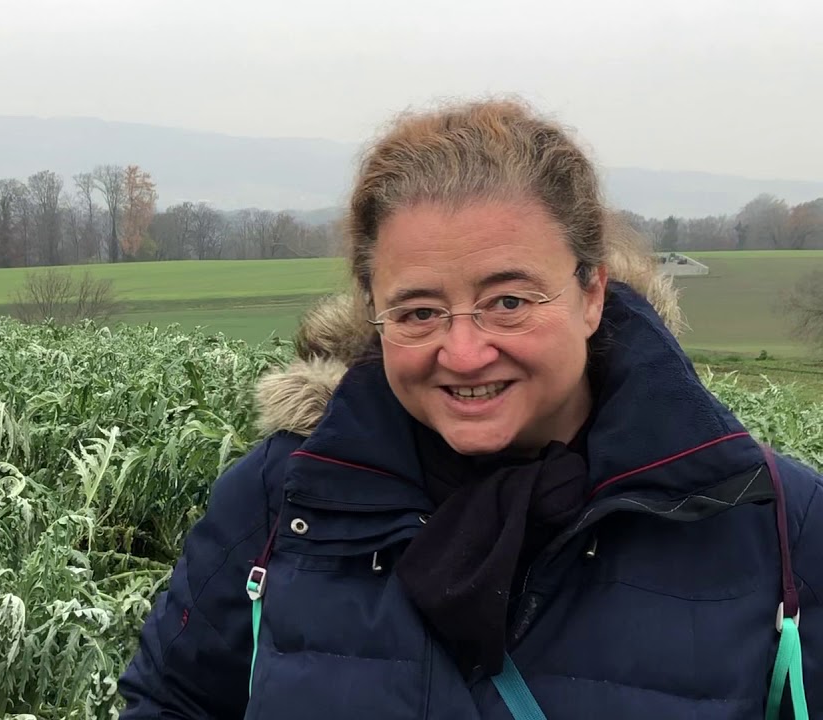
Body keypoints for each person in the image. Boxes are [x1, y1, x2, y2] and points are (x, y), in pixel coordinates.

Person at [117, 98, 822, 718]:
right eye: (419, 311)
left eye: (508, 302)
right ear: (374, 311)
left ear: (592, 293)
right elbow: (172, 701)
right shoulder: (282, 501)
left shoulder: (772, 523)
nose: (463, 352)